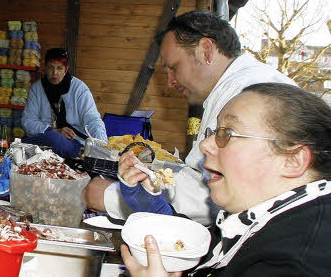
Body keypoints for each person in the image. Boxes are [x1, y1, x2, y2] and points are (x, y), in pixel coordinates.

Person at [82, 11, 295, 225]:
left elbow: (209, 193)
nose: (170, 82)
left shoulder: (243, 92)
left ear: (206, 50)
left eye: (173, 68)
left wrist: (114, 197)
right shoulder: (239, 83)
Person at [121, 83, 331, 277]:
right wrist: (151, 203)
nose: (204, 145)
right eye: (214, 132)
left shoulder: (298, 263)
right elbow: (198, 251)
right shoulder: (259, 221)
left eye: (228, 133)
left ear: (293, 160)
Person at [21, 48, 107, 158]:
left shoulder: (79, 89)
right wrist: (53, 130)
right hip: (46, 136)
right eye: (51, 67)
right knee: (48, 138)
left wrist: (102, 145)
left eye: (59, 68)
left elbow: (92, 118)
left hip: (74, 141)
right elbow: (28, 121)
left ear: (66, 69)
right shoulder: (36, 89)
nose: (54, 73)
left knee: (56, 140)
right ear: (45, 68)